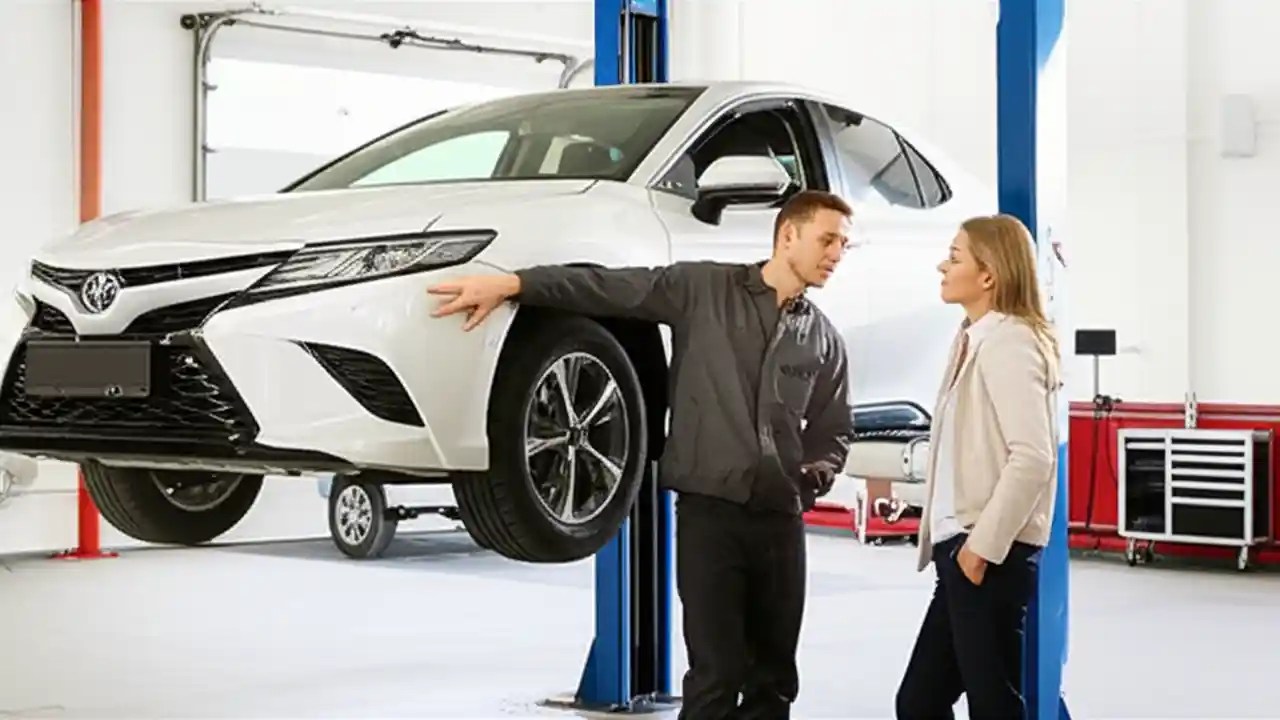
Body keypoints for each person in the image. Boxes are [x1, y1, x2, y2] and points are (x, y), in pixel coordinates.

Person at [428, 189, 857, 719]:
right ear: (788, 234)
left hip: (780, 524)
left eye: (844, 244)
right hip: (710, 517)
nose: (837, 253)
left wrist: (815, 474)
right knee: (714, 676)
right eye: (828, 239)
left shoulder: (823, 339)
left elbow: (834, 428)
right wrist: (516, 284)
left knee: (775, 680)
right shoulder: (702, 289)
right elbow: (607, 289)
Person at [894, 214, 1062, 720]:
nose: (943, 265)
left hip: (987, 553)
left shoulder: (1010, 341)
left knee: (993, 705)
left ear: (988, 274)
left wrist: (979, 550)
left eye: (955, 256)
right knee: (920, 702)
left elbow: (1033, 455)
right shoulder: (975, 336)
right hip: (964, 551)